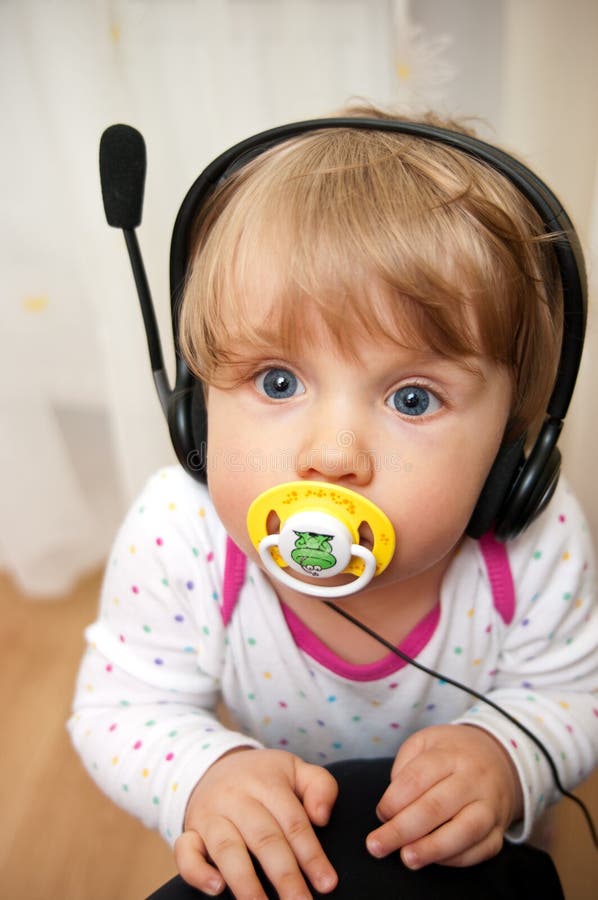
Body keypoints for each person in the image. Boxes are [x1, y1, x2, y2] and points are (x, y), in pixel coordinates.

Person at [69, 106, 597, 900]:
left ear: (510, 453)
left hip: (468, 851)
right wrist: (204, 774)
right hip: (295, 854)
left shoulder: (535, 538)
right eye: (277, 381)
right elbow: (120, 707)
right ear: (194, 413)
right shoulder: (181, 533)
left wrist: (507, 759)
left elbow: (574, 695)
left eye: (413, 398)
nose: (333, 454)